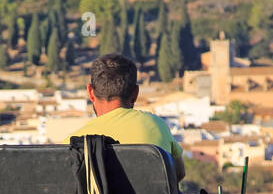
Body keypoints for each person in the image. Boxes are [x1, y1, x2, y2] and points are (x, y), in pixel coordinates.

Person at [66, 53, 187, 186]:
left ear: (90, 92)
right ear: (135, 94)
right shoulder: (157, 126)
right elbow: (178, 173)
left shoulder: (72, 142)